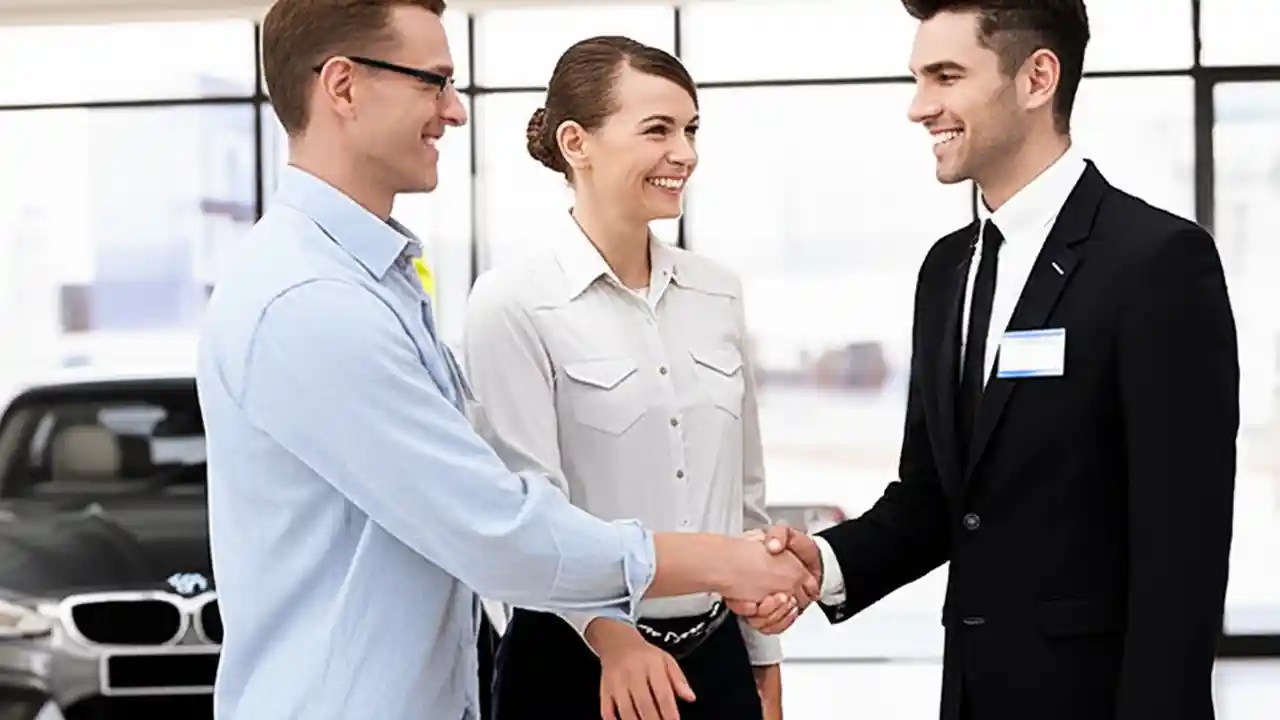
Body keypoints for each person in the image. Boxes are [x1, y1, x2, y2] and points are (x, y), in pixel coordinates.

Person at [196, 2, 818, 719]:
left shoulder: (377, 280)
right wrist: (718, 560)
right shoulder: (311, 302)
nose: (455, 112)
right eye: (433, 82)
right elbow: (497, 532)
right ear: (343, 86)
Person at [737, 2, 1240, 719]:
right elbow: (938, 496)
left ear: (1037, 78)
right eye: (917, 79)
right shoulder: (948, 271)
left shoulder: (1157, 261)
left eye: (945, 76)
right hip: (973, 695)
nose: (919, 108)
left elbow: (1182, 548)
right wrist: (827, 562)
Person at [462, 36, 792, 720]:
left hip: (716, 656)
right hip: (573, 663)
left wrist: (762, 657)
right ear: (577, 143)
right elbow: (526, 516)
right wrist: (612, 639)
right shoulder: (513, 301)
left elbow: (744, 493)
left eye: (691, 129)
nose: (686, 153)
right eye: (658, 130)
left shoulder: (717, 292)